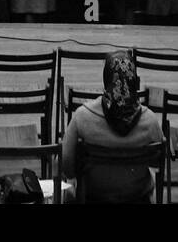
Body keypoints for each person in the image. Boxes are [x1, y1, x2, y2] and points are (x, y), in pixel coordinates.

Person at [60, 49, 164, 204]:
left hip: (93, 196)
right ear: (134, 80)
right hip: (137, 197)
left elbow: (67, 166)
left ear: (106, 79)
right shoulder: (149, 120)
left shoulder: (82, 116)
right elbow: (157, 162)